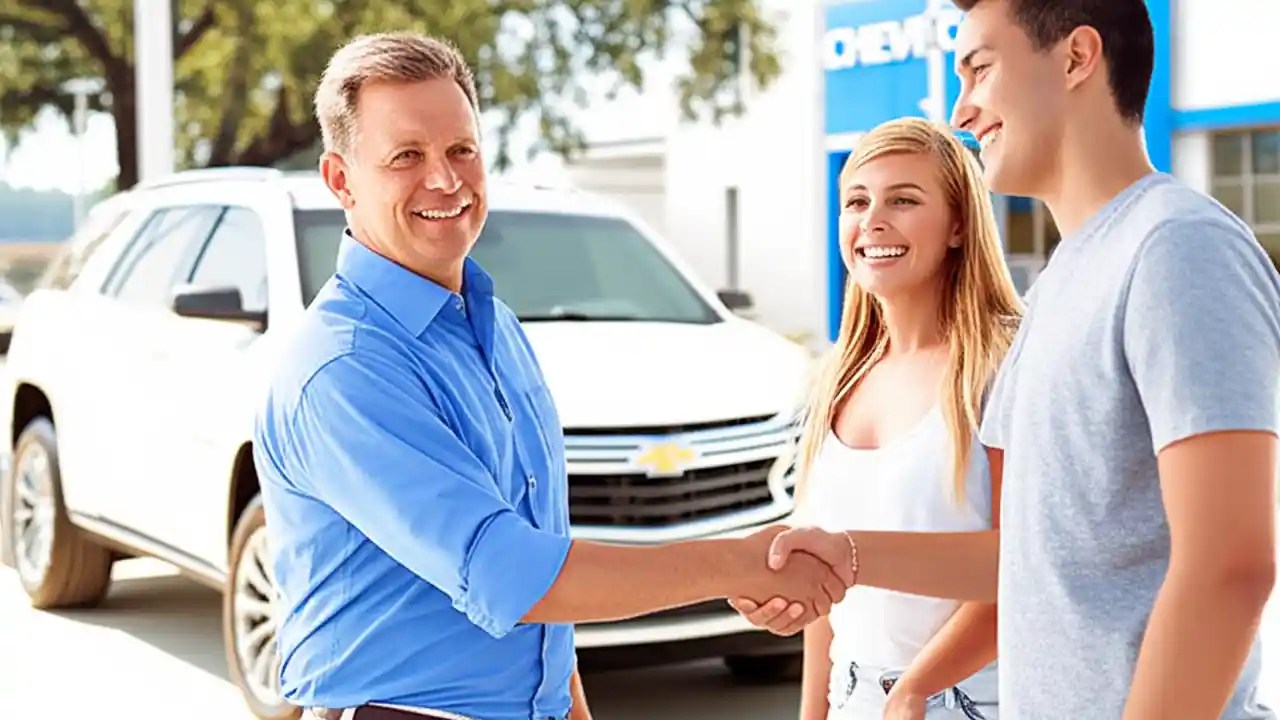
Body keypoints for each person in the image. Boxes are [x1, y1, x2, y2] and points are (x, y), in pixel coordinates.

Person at [252, 31, 852, 720]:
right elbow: (510, 573)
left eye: (460, 150)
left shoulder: (493, 325)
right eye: (405, 157)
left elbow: (544, 552)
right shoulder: (345, 368)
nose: (444, 180)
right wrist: (743, 563)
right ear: (340, 180)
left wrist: (569, 706)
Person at [739, 1, 1280, 718]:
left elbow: (1231, 566)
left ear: (1077, 58)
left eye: (980, 70)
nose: (962, 110)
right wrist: (846, 553)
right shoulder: (1060, 287)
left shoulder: (1177, 247)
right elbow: (1026, 560)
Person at [733, 117, 1021, 720]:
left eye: (904, 200)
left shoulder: (1005, 365)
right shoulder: (837, 376)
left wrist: (915, 688)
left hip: (971, 701)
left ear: (959, 225)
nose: (873, 221)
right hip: (856, 700)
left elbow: (1027, 567)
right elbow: (824, 597)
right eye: (857, 201)